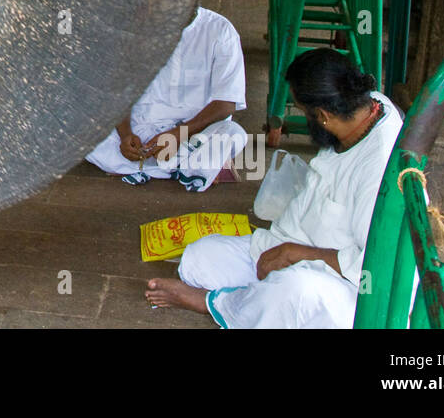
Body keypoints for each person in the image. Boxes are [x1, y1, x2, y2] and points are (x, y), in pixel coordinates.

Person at [146, 48, 403, 328]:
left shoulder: (379, 169)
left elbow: (375, 265)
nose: (304, 120)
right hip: (295, 247)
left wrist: (299, 254)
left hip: (348, 290)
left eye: (305, 113)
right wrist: (288, 250)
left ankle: (213, 303)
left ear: (324, 116)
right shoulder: (367, 104)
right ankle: (251, 304)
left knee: (293, 289)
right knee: (199, 258)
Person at [86, 5, 247, 192]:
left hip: (193, 134)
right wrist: (125, 134)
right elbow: (117, 91)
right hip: (142, 133)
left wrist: (178, 134)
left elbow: (225, 104)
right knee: (81, 123)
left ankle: (150, 168)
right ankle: (191, 169)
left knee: (233, 134)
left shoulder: (221, 31)